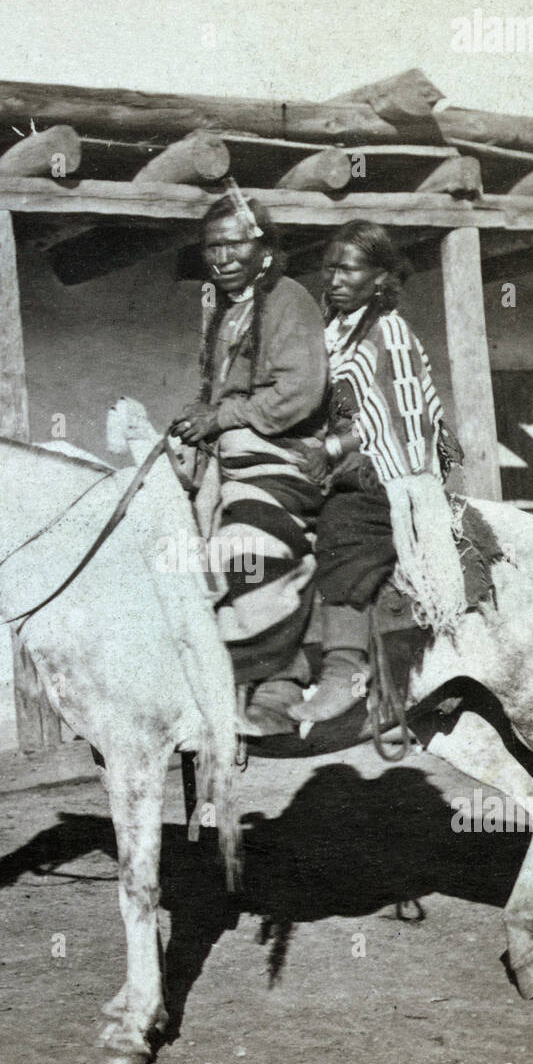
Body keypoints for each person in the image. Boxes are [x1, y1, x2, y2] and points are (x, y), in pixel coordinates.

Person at [288, 220, 466, 725]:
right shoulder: (331, 332)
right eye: (329, 269)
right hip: (339, 462)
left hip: (392, 473)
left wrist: (333, 445)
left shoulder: (389, 331)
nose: (335, 279)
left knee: (343, 525)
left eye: (348, 269)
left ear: (381, 277)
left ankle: (345, 666)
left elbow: (402, 417)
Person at [172, 190, 329, 734]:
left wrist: (222, 418)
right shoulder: (219, 307)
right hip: (228, 453)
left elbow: (300, 393)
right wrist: (201, 414)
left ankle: (280, 679)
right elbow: (215, 392)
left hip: (285, 455)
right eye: (212, 247)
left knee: (246, 544)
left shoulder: (290, 300)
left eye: (234, 244)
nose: (222, 258)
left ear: (263, 247)